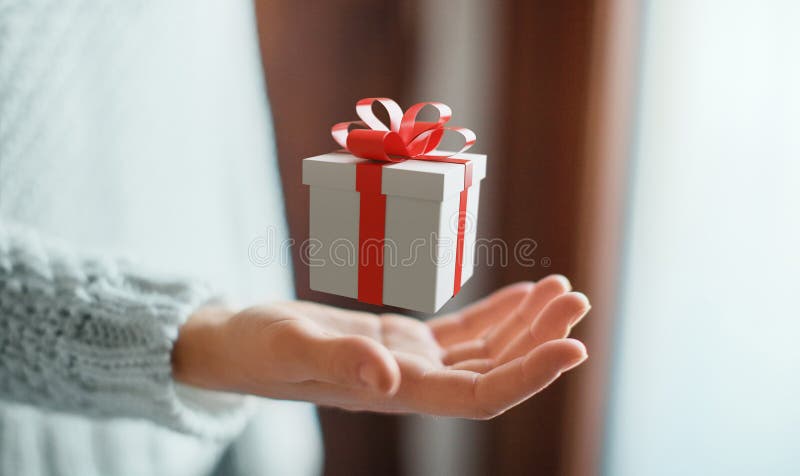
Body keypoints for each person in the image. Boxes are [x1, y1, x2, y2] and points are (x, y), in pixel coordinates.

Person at [0, 1, 590, 475]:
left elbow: (220, 121)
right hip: (57, 429)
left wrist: (249, 345)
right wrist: (181, 338)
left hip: (214, 402)